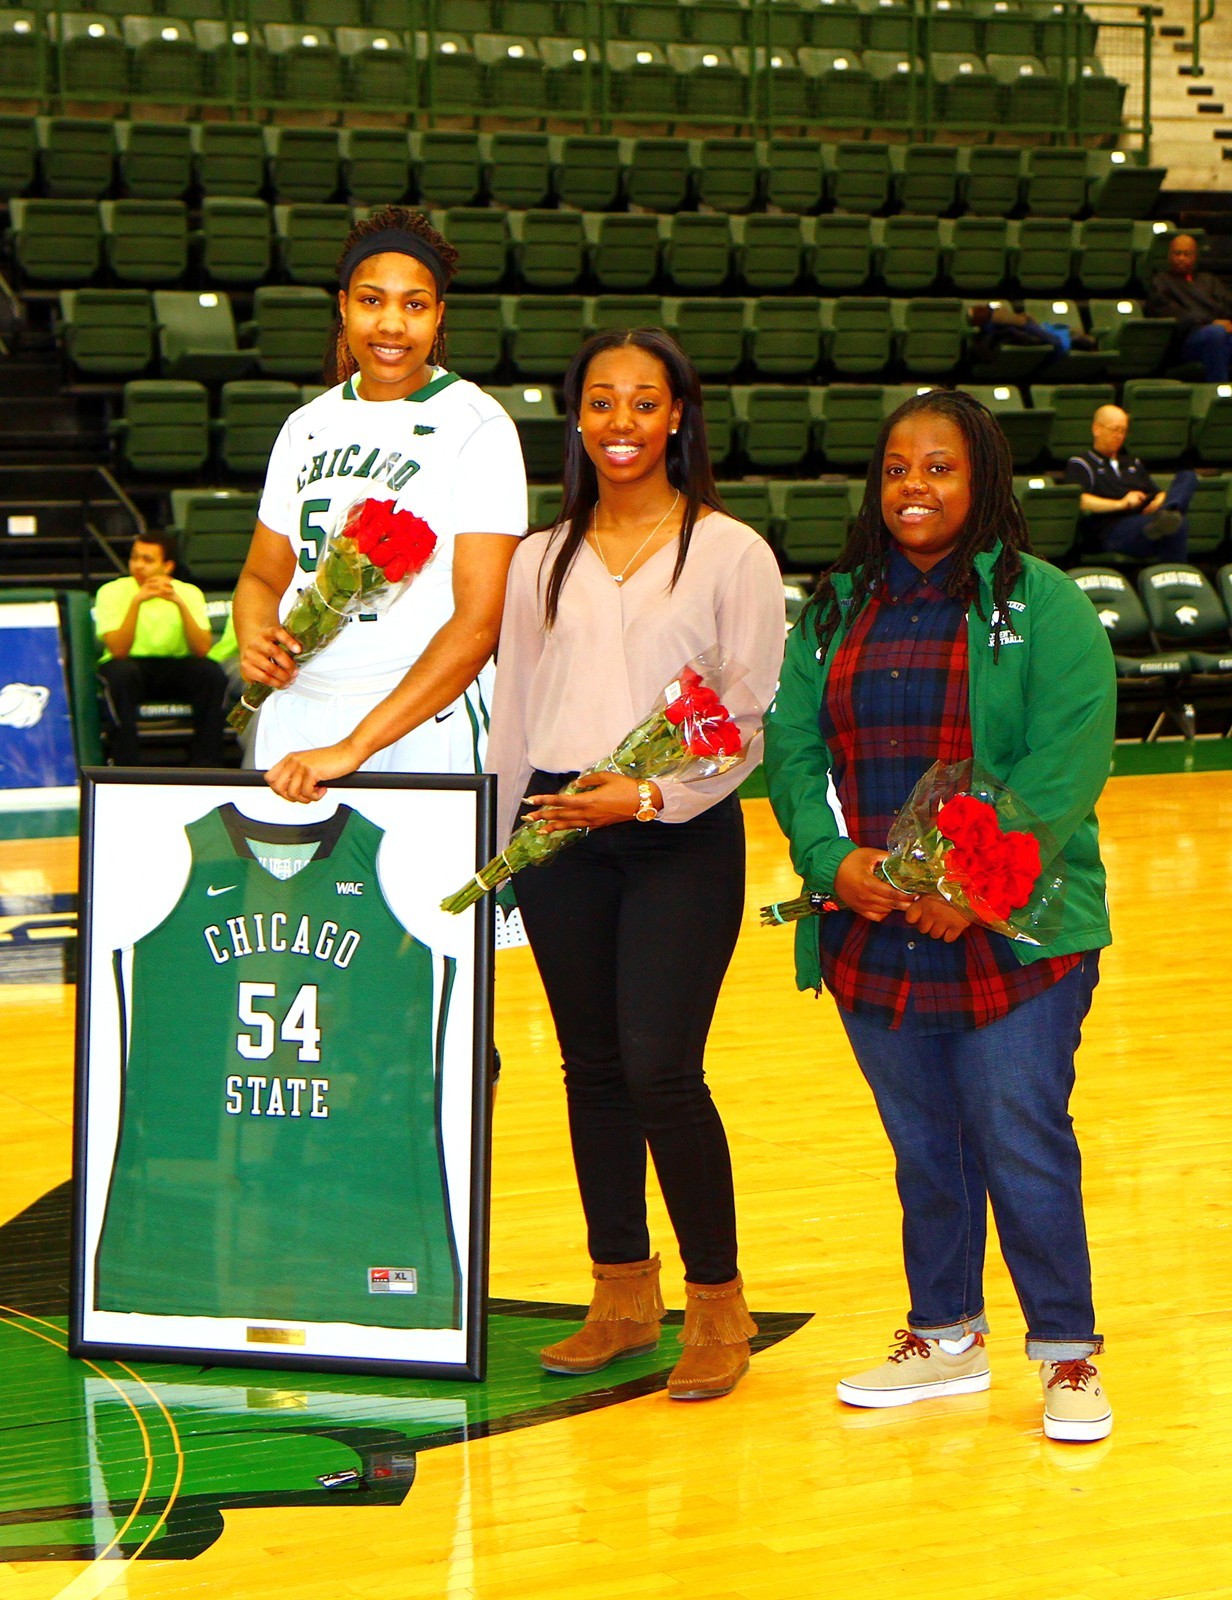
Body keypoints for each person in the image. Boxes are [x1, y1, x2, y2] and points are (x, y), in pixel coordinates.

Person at [764, 389, 1117, 1443]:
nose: (912, 488)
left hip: (1013, 930)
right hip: (873, 925)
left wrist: (966, 885)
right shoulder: (834, 607)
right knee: (924, 1145)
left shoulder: (1042, 603)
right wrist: (836, 863)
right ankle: (944, 1335)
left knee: (1018, 1133)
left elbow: (1062, 764)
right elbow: (792, 748)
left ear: (982, 481)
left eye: (938, 468)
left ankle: (1065, 1353)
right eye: (896, 470)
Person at [485, 329, 785, 1401]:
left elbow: (742, 718)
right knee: (592, 1070)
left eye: (642, 402)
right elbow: (515, 706)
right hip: (560, 834)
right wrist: (507, 838)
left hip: (677, 834)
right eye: (600, 401)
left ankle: (718, 1300)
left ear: (675, 418)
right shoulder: (537, 557)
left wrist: (652, 793)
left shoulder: (731, 551)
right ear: (576, 419)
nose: (620, 421)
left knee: (661, 1066)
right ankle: (619, 1292)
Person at [233, 206, 527, 803]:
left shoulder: (477, 424)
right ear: (343, 306)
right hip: (299, 714)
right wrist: (254, 635)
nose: (392, 323)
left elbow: (479, 623)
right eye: (372, 301)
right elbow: (263, 575)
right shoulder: (305, 425)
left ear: (438, 316)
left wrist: (355, 747)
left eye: (414, 305)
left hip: (420, 722)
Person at [94, 532, 227, 767]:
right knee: (120, 673)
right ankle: (127, 766)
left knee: (211, 673)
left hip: (174, 666)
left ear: (167, 566)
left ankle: (206, 765)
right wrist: (137, 602)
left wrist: (179, 603)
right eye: (135, 558)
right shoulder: (110, 592)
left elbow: (202, 649)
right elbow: (118, 651)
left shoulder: (189, 592)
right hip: (131, 666)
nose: (138, 565)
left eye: (148, 560)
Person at [1065, 403, 1194, 562]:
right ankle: (1175, 570)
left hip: (1148, 520)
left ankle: (1169, 510)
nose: (1120, 436)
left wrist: (1161, 498)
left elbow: (1155, 491)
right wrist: (1122, 503)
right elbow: (1080, 501)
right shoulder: (1082, 463)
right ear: (1097, 429)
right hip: (1113, 529)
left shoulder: (1133, 463)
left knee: (1187, 477)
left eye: (1123, 431)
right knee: (1178, 525)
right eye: (1115, 429)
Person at [1146, 232, 1232, 381]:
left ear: (1195, 257)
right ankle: (1219, 391)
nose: (1181, 258)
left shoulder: (1209, 280)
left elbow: (1227, 304)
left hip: (1221, 332)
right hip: (1187, 340)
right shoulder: (1161, 282)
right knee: (1216, 333)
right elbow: (1174, 313)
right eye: (1177, 253)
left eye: (1187, 254)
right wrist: (1211, 322)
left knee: (1219, 333)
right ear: (1169, 256)